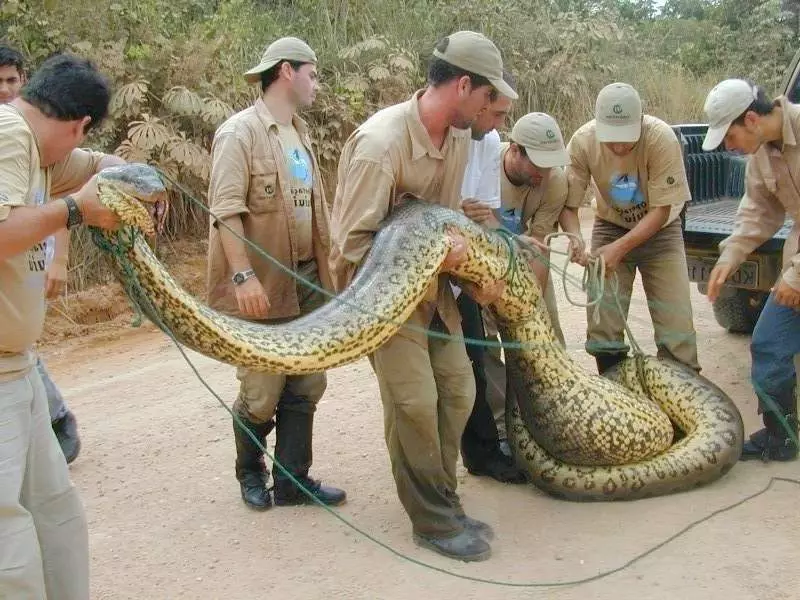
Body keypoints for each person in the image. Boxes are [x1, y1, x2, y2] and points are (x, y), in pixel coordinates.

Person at [329, 30, 515, 562]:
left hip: (435, 292)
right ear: (462, 85)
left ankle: (444, 500)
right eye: (486, 98)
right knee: (413, 401)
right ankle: (432, 520)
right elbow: (352, 247)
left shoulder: (457, 139)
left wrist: (477, 271)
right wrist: (434, 256)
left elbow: (446, 223)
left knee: (458, 391)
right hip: (379, 297)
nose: (489, 111)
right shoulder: (378, 145)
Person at [0, 52, 121, 600]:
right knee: (9, 541)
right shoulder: (9, 132)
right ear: (78, 123)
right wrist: (75, 211)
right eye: (79, 138)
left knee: (54, 513)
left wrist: (131, 180)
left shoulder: (37, 149)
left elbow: (98, 167)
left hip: (17, 370)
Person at [206, 37, 346, 511]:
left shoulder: (300, 133)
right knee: (262, 393)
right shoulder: (238, 134)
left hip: (308, 282)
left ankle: (293, 480)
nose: (316, 83)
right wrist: (243, 277)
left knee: (308, 382)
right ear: (287, 71)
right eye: (313, 73)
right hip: (261, 287)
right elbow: (225, 212)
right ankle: (250, 470)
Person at [563, 82, 700, 375]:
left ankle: (682, 401)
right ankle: (618, 396)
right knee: (603, 326)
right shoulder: (582, 142)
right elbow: (569, 204)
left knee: (677, 328)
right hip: (610, 226)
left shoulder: (661, 138)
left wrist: (620, 248)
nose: (620, 147)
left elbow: (662, 211)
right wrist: (575, 237)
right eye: (611, 139)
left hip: (661, 231)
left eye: (627, 138)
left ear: (640, 121)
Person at [703, 78, 800, 461]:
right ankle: (783, 436)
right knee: (769, 343)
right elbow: (758, 214)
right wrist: (729, 257)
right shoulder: (760, 156)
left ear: (751, 119)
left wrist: (795, 276)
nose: (729, 148)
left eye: (729, 138)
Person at [0, 44, 82, 463]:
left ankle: (55, 423)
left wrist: (60, 258)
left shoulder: (29, 140)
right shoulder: (9, 135)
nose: (5, 90)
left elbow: (62, 188)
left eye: (11, 81)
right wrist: (78, 210)